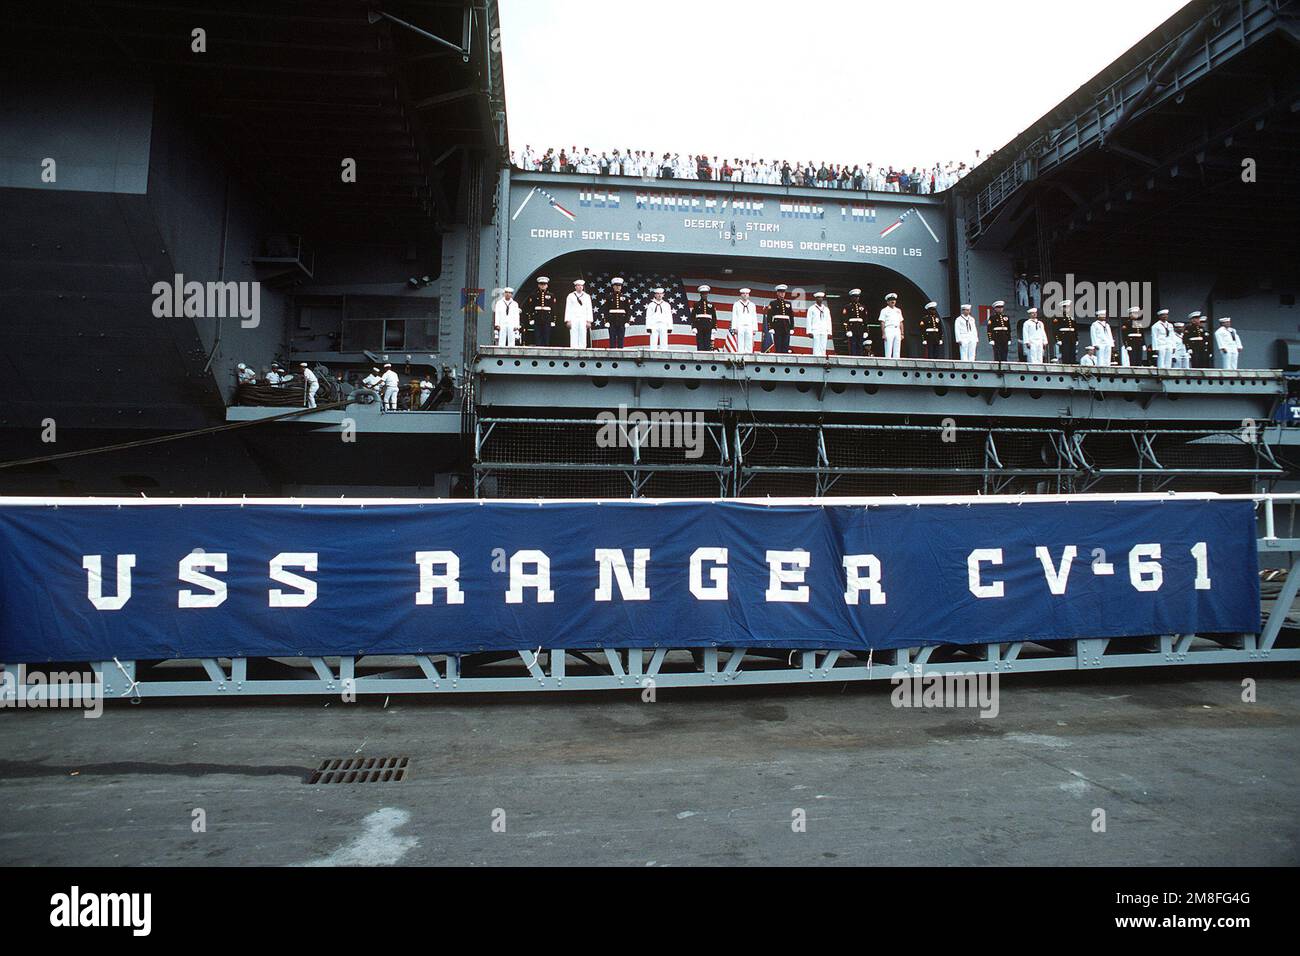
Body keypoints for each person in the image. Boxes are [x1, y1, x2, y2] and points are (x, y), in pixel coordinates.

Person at [522, 276, 558, 346]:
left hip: (547, 317)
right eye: (541, 284)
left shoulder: (551, 295)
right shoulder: (534, 295)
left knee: (546, 335)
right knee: (537, 335)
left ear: (547, 285)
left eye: (544, 284)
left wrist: (553, 320)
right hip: (537, 317)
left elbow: (554, 309)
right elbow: (530, 308)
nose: (543, 286)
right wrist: (531, 318)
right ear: (538, 285)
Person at [600, 277, 632, 349]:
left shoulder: (626, 298)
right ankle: (612, 356)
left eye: (619, 285)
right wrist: (606, 321)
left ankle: (621, 357)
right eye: (616, 285)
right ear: (613, 286)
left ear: (621, 287)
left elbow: (628, 311)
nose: (618, 287)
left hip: (622, 321)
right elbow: (605, 310)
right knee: (612, 339)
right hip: (612, 321)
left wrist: (627, 321)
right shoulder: (608, 297)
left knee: (621, 338)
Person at [565, 279, 594, 348]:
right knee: (573, 334)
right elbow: (568, 308)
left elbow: (589, 309)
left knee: (583, 334)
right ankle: (573, 349)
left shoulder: (587, 296)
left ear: (583, 287)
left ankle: (582, 349)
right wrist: (568, 320)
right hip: (573, 318)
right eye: (578, 285)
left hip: (583, 318)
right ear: (575, 287)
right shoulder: (570, 296)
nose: (580, 287)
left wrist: (589, 321)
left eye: (581, 285)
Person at [767, 284, 795, 354]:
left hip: (786, 327)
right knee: (778, 347)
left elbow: (791, 316)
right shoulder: (773, 303)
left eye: (784, 292)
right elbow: (769, 316)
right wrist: (770, 328)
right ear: (777, 293)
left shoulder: (788, 303)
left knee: (785, 346)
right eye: (781, 292)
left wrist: (792, 328)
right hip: (777, 327)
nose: (782, 294)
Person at [841, 289, 868, 356]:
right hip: (852, 327)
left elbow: (865, 320)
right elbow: (845, 320)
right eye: (855, 297)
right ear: (852, 297)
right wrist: (847, 330)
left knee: (860, 344)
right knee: (853, 344)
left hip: (860, 328)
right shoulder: (847, 307)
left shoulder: (863, 307)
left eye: (858, 297)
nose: (856, 298)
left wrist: (866, 331)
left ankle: (860, 357)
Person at [732, 287, 759, 354]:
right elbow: (734, 316)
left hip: (749, 325)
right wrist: (734, 327)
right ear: (741, 295)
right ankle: (740, 355)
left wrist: (755, 328)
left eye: (746, 293)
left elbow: (754, 316)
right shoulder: (736, 304)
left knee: (749, 341)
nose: (745, 295)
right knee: (740, 341)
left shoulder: (752, 305)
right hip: (740, 325)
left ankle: (748, 354)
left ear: (748, 295)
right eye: (743, 293)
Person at [691, 285, 718, 351]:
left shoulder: (711, 305)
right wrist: (693, 327)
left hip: (708, 325)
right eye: (703, 294)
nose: (704, 295)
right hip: (699, 324)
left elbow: (714, 317)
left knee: (707, 343)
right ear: (700, 294)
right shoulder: (696, 304)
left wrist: (714, 327)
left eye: (706, 293)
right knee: (700, 342)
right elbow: (693, 316)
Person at [807, 291, 832, 356]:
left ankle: (822, 360)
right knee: (816, 347)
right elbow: (809, 320)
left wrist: (829, 332)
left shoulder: (826, 309)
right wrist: (809, 331)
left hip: (824, 330)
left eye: (821, 298)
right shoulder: (811, 308)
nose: (820, 299)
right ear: (816, 299)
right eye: (818, 298)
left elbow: (828, 320)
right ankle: (816, 360)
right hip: (815, 330)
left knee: (823, 347)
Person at [879, 292, 904, 359]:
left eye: (894, 300)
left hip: (897, 329)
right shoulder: (884, 310)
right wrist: (883, 333)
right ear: (887, 301)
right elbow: (882, 322)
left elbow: (901, 322)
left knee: (897, 349)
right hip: (889, 329)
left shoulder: (898, 310)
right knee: (888, 348)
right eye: (891, 300)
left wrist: (902, 333)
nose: (893, 301)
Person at [1054, 299, 1078, 364]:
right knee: (1065, 352)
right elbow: (1055, 329)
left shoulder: (1071, 317)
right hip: (1064, 336)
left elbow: (1075, 328)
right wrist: (1058, 339)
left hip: (1072, 336)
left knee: (1072, 351)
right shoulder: (1058, 317)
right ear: (1062, 308)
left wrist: (1076, 339)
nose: (1068, 309)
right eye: (1066, 307)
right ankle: (1066, 363)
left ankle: (1073, 363)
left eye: (1069, 307)